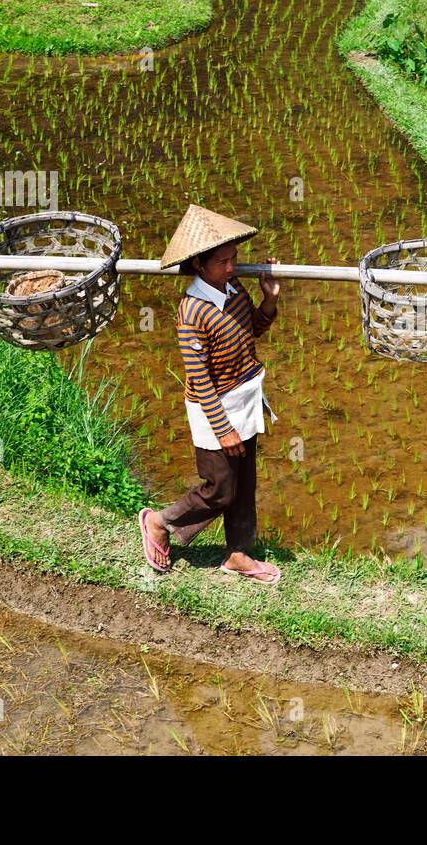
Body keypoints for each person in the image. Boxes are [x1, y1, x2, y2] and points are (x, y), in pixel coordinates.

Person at [137, 204, 283, 583]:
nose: (232, 268)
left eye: (234, 259)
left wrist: (269, 299)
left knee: (244, 483)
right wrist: (224, 430)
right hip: (215, 409)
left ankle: (237, 553)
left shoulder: (233, 288)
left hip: (245, 397)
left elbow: (251, 329)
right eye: (222, 262)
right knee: (219, 488)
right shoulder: (192, 312)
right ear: (199, 265)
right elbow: (200, 381)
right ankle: (159, 523)